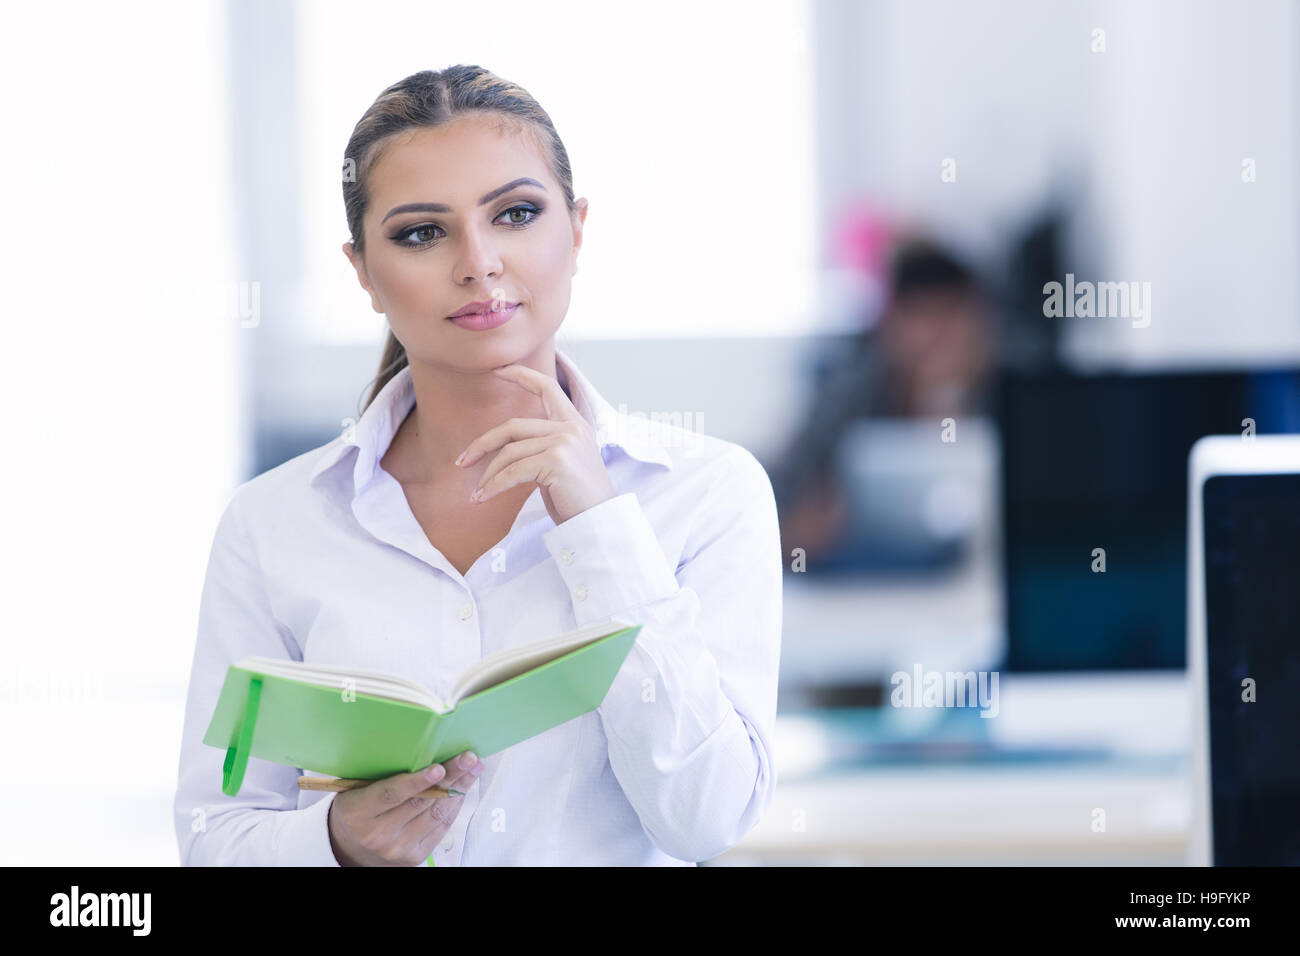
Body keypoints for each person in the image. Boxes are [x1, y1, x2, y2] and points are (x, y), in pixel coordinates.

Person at [173, 65, 782, 866]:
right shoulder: (272, 523)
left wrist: (601, 528)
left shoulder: (707, 494)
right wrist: (335, 842)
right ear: (363, 272)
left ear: (577, 229)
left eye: (517, 214)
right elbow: (213, 834)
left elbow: (709, 819)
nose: (479, 262)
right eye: (422, 232)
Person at [768, 238, 992, 569]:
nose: (940, 337)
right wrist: (804, 531)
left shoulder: (1007, 397)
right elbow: (779, 505)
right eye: (924, 317)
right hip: (864, 597)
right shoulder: (850, 394)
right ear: (892, 324)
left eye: (953, 317)